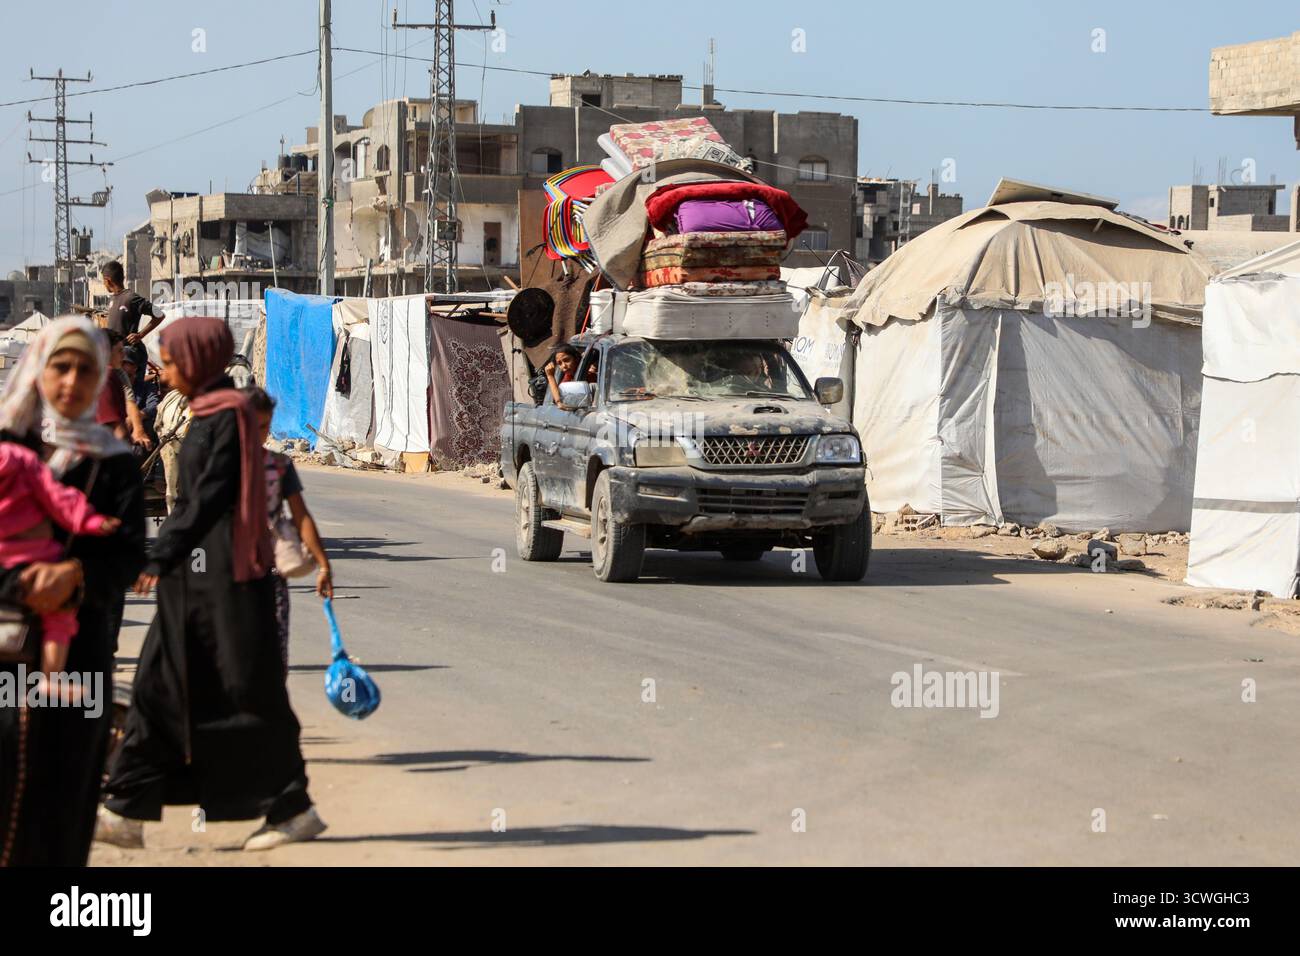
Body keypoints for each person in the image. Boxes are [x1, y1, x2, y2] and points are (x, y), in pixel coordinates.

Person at [97, 317, 325, 852]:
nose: (164, 369)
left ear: (199, 360)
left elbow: (206, 499)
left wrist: (159, 552)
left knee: (252, 690)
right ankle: (124, 806)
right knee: (158, 684)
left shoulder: (229, 417)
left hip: (226, 582)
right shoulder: (208, 412)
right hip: (193, 583)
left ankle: (292, 806)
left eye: (172, 360)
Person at [0, 316, 147, 867]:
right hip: (6, 650)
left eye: (85, 369)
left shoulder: (113, 466)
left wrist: (77, 575)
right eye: (60, 366)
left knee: (65, 801)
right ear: (39, 368)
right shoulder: (9, 449)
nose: (70, 380)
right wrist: (20, 583)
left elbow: (130, 553)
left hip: (80, 654)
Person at [0, 441, 121, 683]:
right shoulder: (23, 459)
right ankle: (50, 679)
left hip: (27, 556)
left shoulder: (22, 458)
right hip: (39, 554)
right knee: (59, 620)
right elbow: (57, 497)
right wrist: (90, 521)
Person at [244, 387, 333, 674]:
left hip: (271, 570)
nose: (260, 433)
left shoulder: (279, 465)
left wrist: (322, 564)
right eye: (252, 426)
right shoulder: (215, 464)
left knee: (274, 646)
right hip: (226, 571)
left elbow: (301, 516)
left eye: (265, 426)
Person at [100, 261, 164, 347]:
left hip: (129, 352)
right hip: (116, 351)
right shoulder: (112, 299)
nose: (104, 284)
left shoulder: (131, 298)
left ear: (108, 281)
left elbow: (159, 314)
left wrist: (140, 335)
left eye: (103, 281)